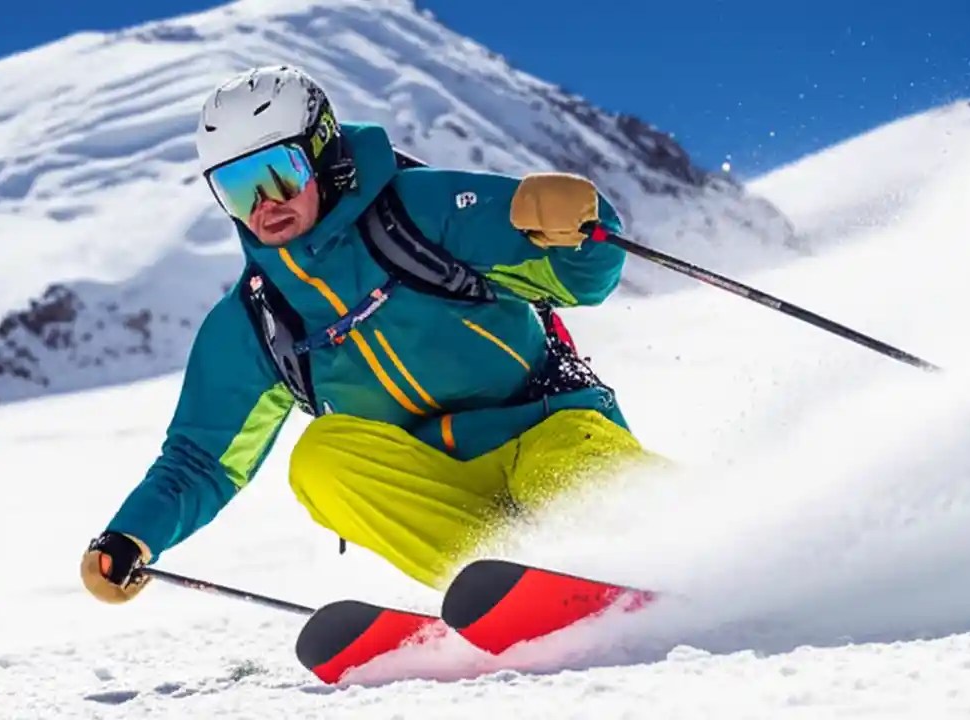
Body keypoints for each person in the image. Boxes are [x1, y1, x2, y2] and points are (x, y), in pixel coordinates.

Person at [80, 65, 645, 603]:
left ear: (322, 152)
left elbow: (582, 277)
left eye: (279, 174)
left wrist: (578, 223)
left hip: (549, 426)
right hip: (433, 481)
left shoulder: (420, 209)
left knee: (573, 481)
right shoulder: (255, 319)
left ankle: (678, 554)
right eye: (237, 188)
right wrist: (132, 537)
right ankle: (512, 581)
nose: (264, 204)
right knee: (320, 462)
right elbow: (201, 460)